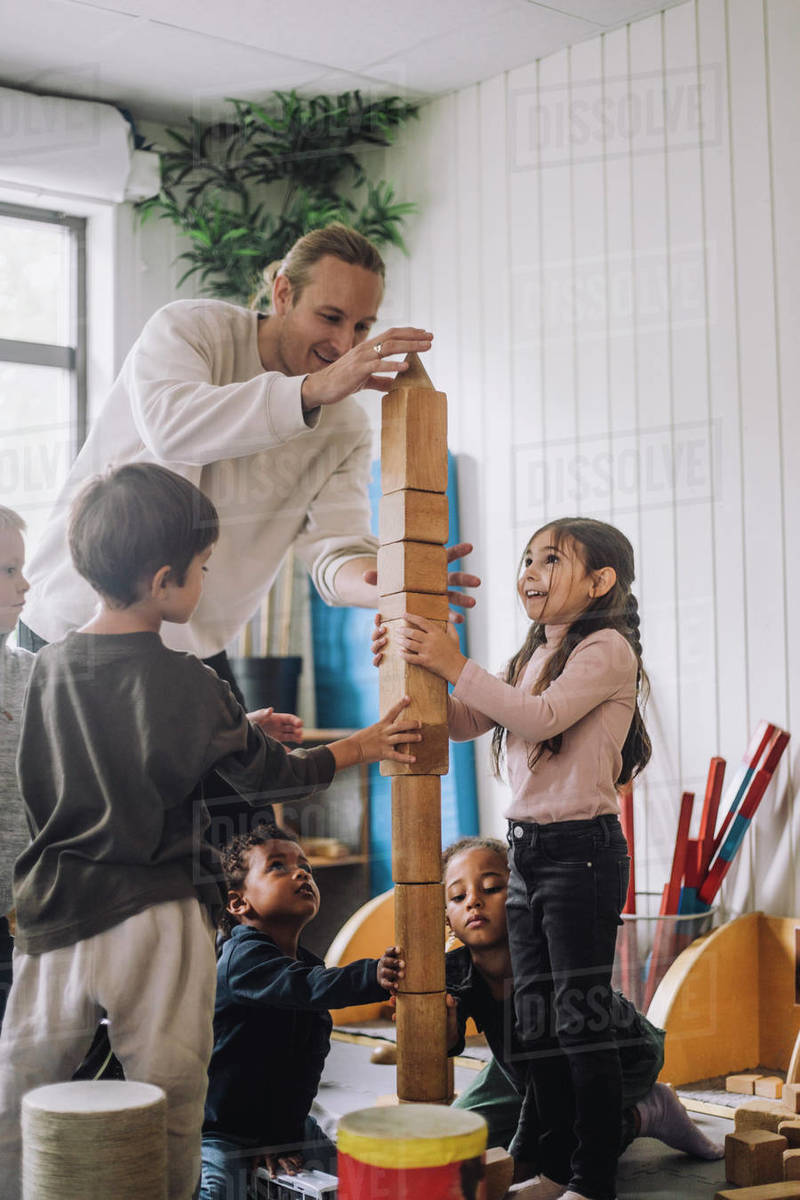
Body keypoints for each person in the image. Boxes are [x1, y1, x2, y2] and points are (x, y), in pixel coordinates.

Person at [0, 462, 421, 1200]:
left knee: (25, 1081)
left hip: (53, 910)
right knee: (169, 1088)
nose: (201, 581)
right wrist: (361, 744)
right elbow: (271, 777)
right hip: (154, 913)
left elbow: (93, 761)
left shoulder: (48, 671)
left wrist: (226, 732)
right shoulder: (191, 681)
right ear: (165, 580)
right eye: (201, 568)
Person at [20, 223, 478, 687]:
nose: (344, 344)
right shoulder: (190, 329)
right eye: (330, 317)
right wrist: (311, 391)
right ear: (283, 294)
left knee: (249, 759)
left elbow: (334, 549)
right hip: (76, 623)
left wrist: (389, 585)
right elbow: (172, 428)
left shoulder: (347, 426)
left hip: (188, 650)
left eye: (362, 326)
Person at [382, 517, 653, 1200]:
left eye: (551, 560)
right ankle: (555, 1168)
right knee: (535, 1023)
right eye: (528, 559)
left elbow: (537, 719)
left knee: (577, 1021)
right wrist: (407, 660)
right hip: (528, 850)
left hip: (579, 855)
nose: (530, 571)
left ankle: (591, 1181)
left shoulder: (608, 650)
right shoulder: (535, 651)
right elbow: (472, 719)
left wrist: (453, 662)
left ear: (600, 581)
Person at [442, 837, 724, 1169]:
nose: (473, 901)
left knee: (560, 1149)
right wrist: (441, 1022)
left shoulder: (545, 958)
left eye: (491, 888)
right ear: (446, 917)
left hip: (614, 1054)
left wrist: (522, 1157)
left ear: (522, 897)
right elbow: (445, 1040)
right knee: (456, 1139)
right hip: (523, 1071)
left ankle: (647, 1112)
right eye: (459, 897)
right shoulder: (457, 970)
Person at [201, 824, 405, 1200]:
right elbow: (304, 986)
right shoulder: (241, 959)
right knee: (218, 1191)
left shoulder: (308, 968)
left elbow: (308, 1064)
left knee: (355, 1182)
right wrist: (371, 975)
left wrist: (283, 1134)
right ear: (238, 903)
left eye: (306, 867)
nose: (301, 873)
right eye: (277, 866)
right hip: (221, 1129)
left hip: (287, 1122)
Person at [0, 506, 33, 1028]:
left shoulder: (37, 674)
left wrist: (234, 729)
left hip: (20, 912)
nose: (25, 584)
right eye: (8, 571)